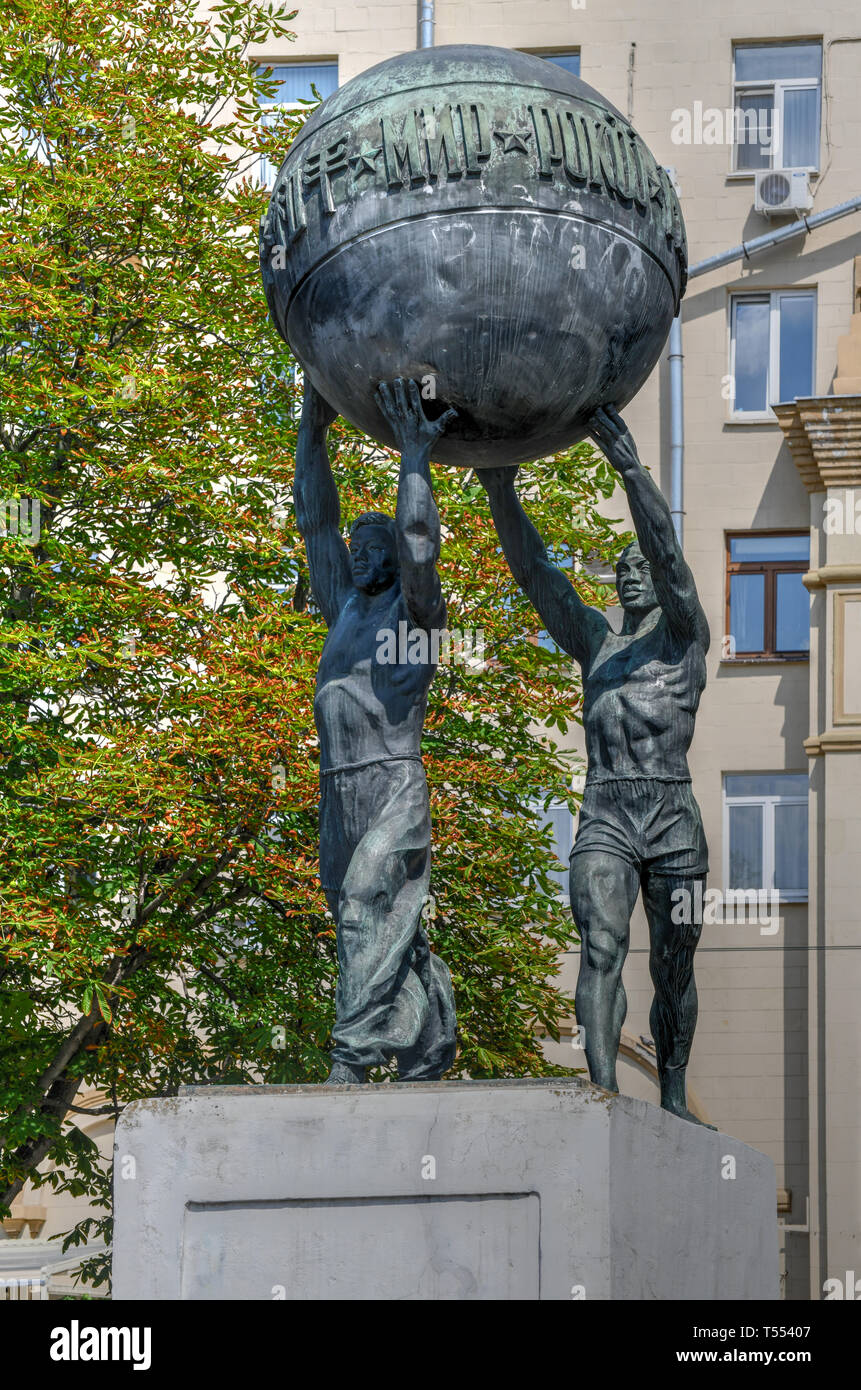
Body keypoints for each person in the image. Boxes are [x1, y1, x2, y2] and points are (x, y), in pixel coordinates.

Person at [479, 406, 712, 1124]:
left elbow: (668, 554)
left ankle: (670, 1089)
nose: (632, 574)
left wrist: (629, 468)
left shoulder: (682, 637)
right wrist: (498, 487)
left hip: (672, 812)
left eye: (639, 566)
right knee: (600, 945)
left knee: (672, 967)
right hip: (607, 808)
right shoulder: (595, 645)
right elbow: (534, 572)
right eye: (623, 569)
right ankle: (604, 1091)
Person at [293, 377, 458, 1085]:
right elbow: (314, 520)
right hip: (339, 792)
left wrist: (414, 455)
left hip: (393, 785)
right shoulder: (343, 609)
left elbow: (420, 543)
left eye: (372, 544)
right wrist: (311, 426)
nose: (357, 553)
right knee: (379, 926)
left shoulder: (415, 617)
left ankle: (351, 1060)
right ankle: (431, 1040)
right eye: (356, 546)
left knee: (365, 906)